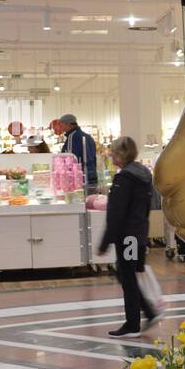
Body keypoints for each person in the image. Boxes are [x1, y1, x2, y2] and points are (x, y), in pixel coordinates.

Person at [96, 136, 159, 337]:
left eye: (113, 152)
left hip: (128, 237)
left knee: (127, 276)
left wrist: (105, 241)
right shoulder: (143, 175)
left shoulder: (124, 179)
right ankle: (147, 314)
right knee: (127, 274)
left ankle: (134, 323)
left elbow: (116, 213)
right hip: (138, 234)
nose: (110, 155)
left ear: (120, 154)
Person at [58, 113, 98, 190]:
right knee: (90, 199)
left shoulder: (72, 137)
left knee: (79, 200)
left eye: (62, 125)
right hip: (92, 174)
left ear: (69, 125)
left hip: (80, 177)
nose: (61, 128)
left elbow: (70, 159)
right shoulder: (88, 137)